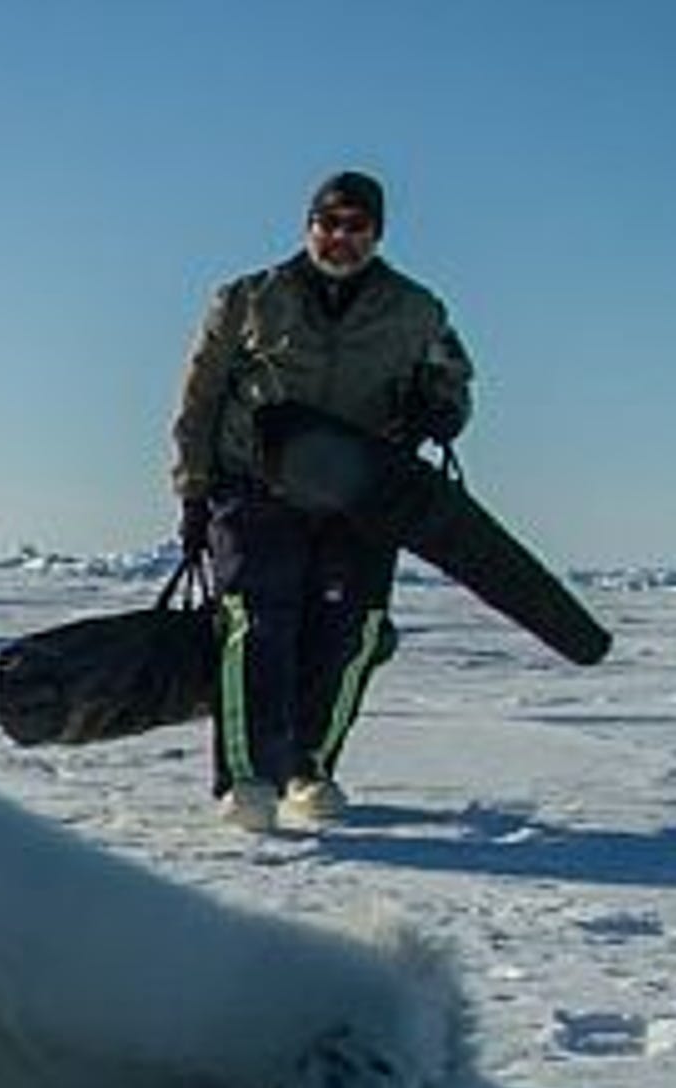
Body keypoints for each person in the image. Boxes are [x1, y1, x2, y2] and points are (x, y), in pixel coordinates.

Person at [170, 169, 473, 833]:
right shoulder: (248, 298)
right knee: (257, 626)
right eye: (328, 224)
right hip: (256, 490)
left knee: (349, 634)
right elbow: (199, 402)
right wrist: (193, 490)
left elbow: (453, 379)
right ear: (308, 226)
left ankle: (309, 765)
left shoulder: (416, 308)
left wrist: (443, 408)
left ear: (377, 233)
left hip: (361, 498)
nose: (340, 239)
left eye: (356, 227)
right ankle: (247, 778)